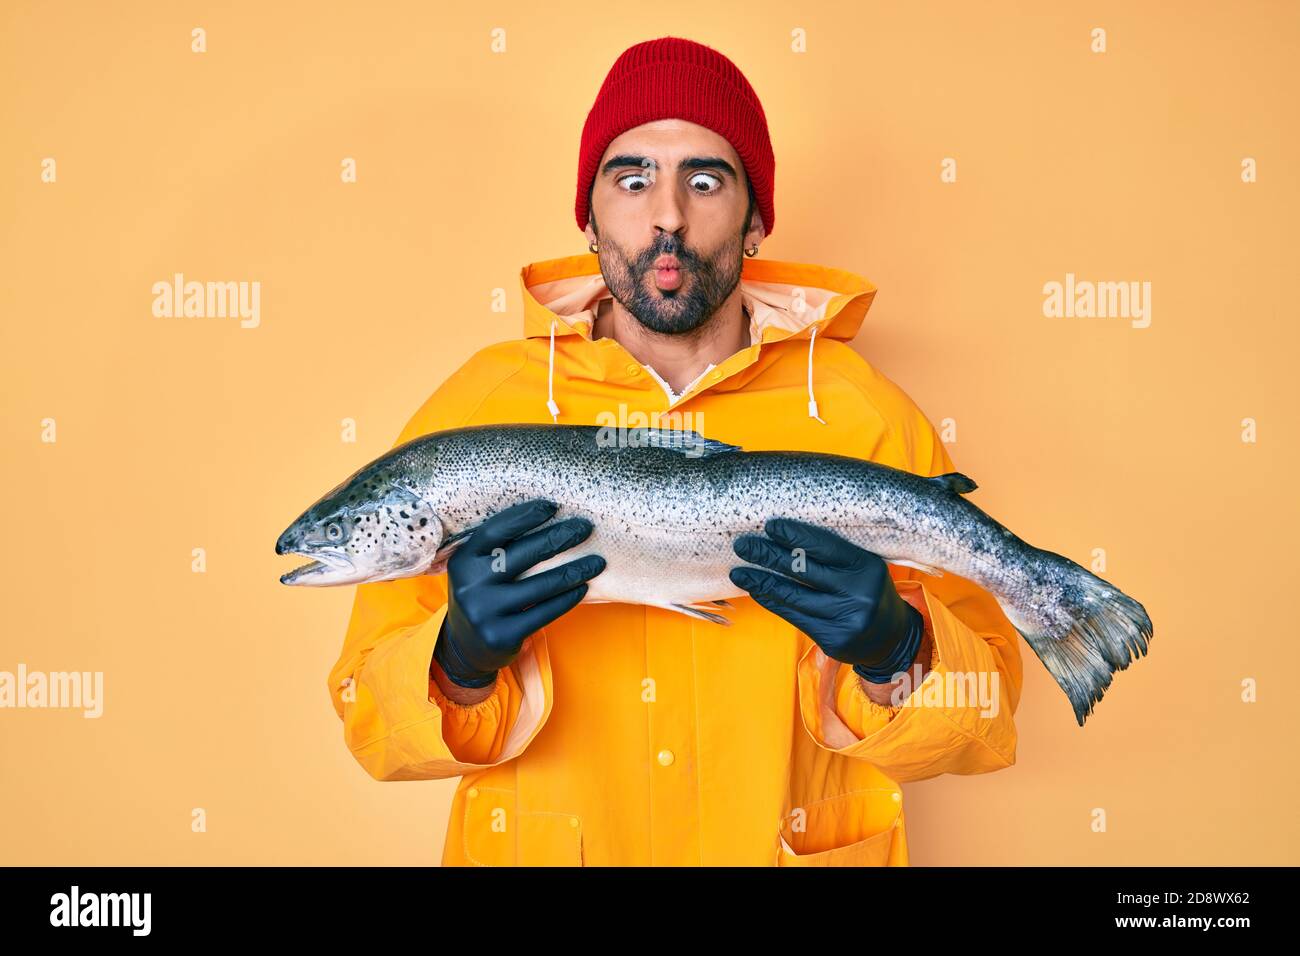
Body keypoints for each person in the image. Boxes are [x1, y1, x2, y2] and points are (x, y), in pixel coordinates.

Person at [327, 35, 1022, 866]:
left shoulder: (865, 414)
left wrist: (897, 655)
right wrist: (456, 664)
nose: (667, 215)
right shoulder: (478, 414)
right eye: (632, 179)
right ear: (588, 218)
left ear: (755, 218)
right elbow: (371, 728)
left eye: (704, 180)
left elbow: (984, 723)